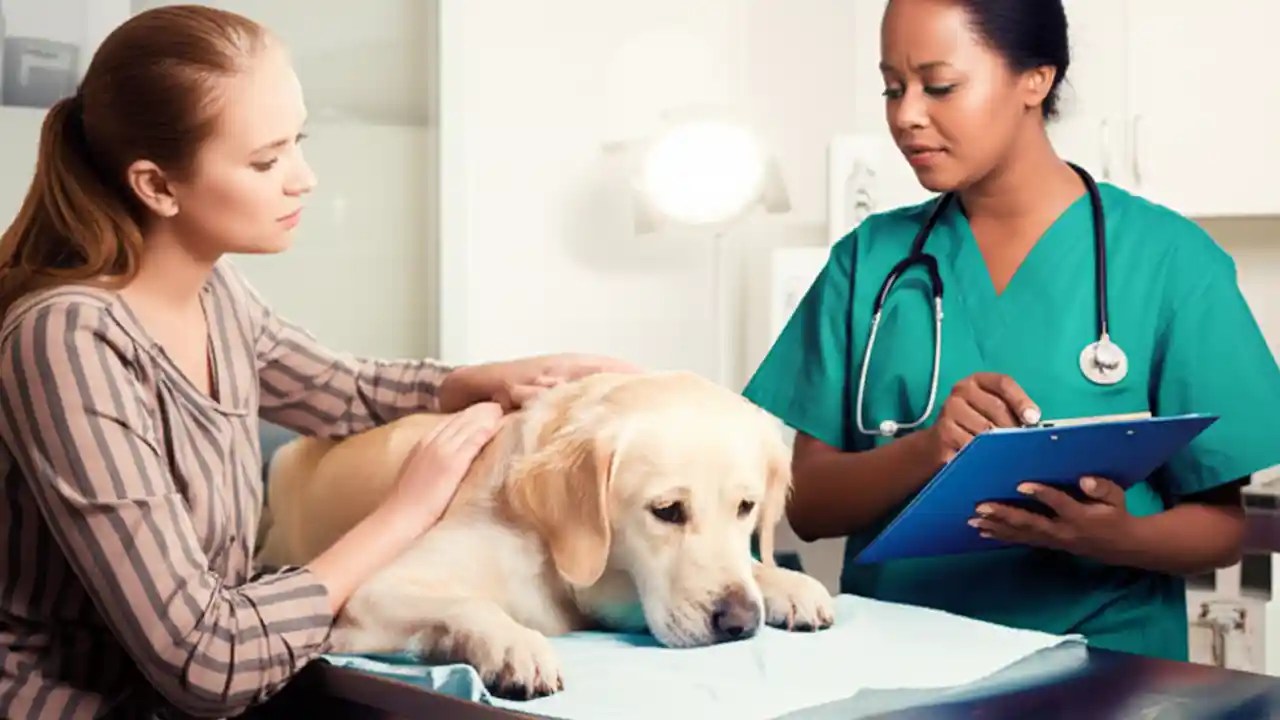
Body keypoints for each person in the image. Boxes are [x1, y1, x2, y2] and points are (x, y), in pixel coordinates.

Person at [0, 6, 636, 719]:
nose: (303, 179)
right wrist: (407, 510)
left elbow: (341, 389)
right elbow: (207, 662)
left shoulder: (216, 295)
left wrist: (480, 380)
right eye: (265, 161)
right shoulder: (69, 340)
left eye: (296, 142)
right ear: (156, 186)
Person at [743, 0, 1280, 663]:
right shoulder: (869, 261)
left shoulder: (1171, 262)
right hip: (894, 666)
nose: (906, 114)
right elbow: (810, 508)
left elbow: (1222, 529)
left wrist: (1110, 537)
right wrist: (932, 447)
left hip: (1106, 670)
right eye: (892, 87)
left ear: (1036, 79)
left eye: (939, 85)